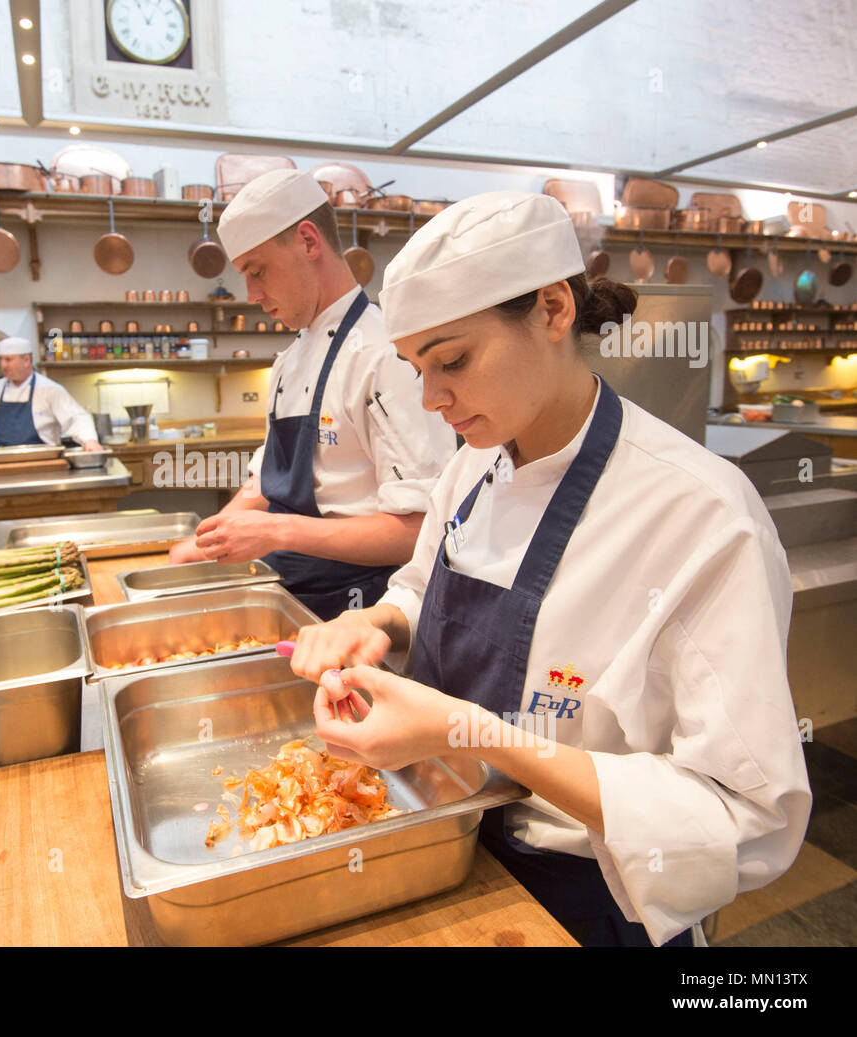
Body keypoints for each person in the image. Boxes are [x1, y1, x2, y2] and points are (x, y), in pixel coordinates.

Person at [287, 190, 810, 947]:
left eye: (452, 361)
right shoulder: (473, 466)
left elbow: (746, 817)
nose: (432, 400)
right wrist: (376, 621)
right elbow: (421, 581)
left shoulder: (701, 516)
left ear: (555, 310)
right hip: (447, 853)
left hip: (587, 903)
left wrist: (472, 732)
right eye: (414, 370)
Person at [167, 170, 456, 621]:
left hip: (359, 610)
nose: (251, 295)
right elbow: (265, 481)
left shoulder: (386, 355)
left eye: (257, 271)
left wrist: (277, 530)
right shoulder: (289, 360)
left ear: (307, 241)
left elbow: (419, 530)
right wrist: (206, 541)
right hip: (286, 595)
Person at [0, 337, 102, 451]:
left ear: (26, 360)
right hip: (1, 461)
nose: (3, 365)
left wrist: (90, 441)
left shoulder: (50, 389)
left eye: (9, 360)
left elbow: (75, 417)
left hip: (44, 461)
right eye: (2, 359)